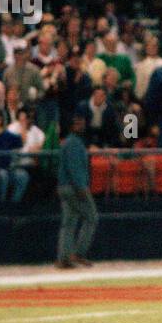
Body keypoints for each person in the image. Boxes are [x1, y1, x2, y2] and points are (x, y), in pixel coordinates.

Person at [56, 112, 97, 268]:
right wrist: (81, 188)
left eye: (82, 122)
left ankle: (63, 258)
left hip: (64, 187)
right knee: (91, 217)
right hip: (74, 188)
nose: (82, 126)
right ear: (72, 127)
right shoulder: (74, 143)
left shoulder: (70, 142)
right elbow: (75, 168)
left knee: (69, 222)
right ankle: (78, 253)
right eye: (78, 123)